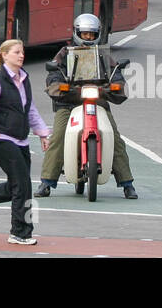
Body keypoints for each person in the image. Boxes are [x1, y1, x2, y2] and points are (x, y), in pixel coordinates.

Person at [35, 14, 138, 199]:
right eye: (84, 34)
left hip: (98, 101)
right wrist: (61, 86)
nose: (88, 38)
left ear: (97, 34)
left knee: (114, 138)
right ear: (76, 33)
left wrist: (114, 86)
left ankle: (127, 183)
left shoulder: (103, 55)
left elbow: (117, 76)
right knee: (58, 136)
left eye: (92, 35)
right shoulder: (64, 53)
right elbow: (53, 76)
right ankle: (47, 182)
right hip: (68, 103)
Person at [0, 38, 51, 246]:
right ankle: (20, 233)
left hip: (20, 139)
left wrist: (42, 133)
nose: (21, 55)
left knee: (20, 186)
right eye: (16, 52)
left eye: (22, 52)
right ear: (4, 55)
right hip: (1, 138)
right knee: (21, 186)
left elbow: (29, 109)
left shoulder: (24, 79)